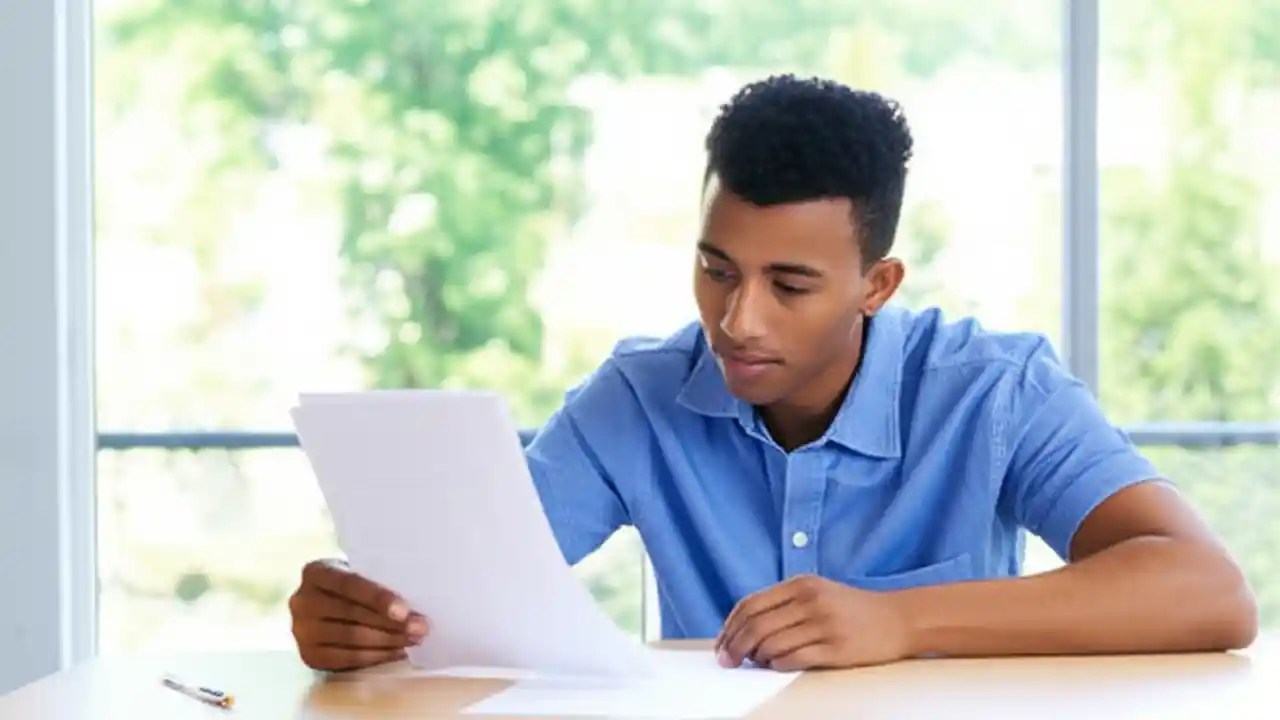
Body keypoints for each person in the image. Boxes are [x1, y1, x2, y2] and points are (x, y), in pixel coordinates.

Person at [287, 74, 1258, 673]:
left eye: (788, 284)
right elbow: (460, 587)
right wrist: (357, 610)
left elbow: (1206, 592)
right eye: (715, 269)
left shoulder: (993, 391)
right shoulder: (638, 398)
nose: (734, 319)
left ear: (874, 283)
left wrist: (900, 622)